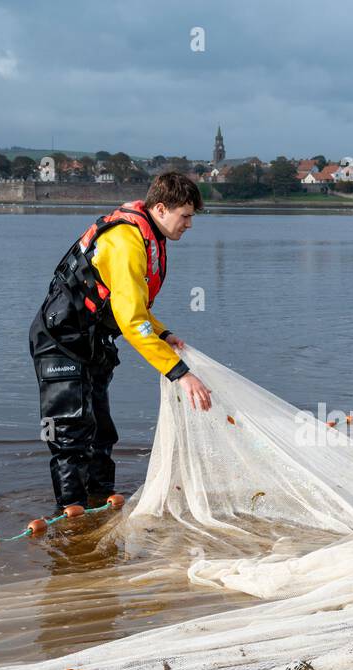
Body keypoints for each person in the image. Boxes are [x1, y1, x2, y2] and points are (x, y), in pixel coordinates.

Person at [29, 171, 211, 512]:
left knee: (101, 434)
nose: (189, 224)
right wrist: (180, 373)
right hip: (61, 341)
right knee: (70, 436)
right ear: (160, 208)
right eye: (185, 216)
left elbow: (131, 307)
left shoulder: (146, 237)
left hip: (93, 342)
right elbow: (130, 321)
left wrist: (163, 333)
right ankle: (71, 520)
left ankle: (100, 506)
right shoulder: (127, 242)